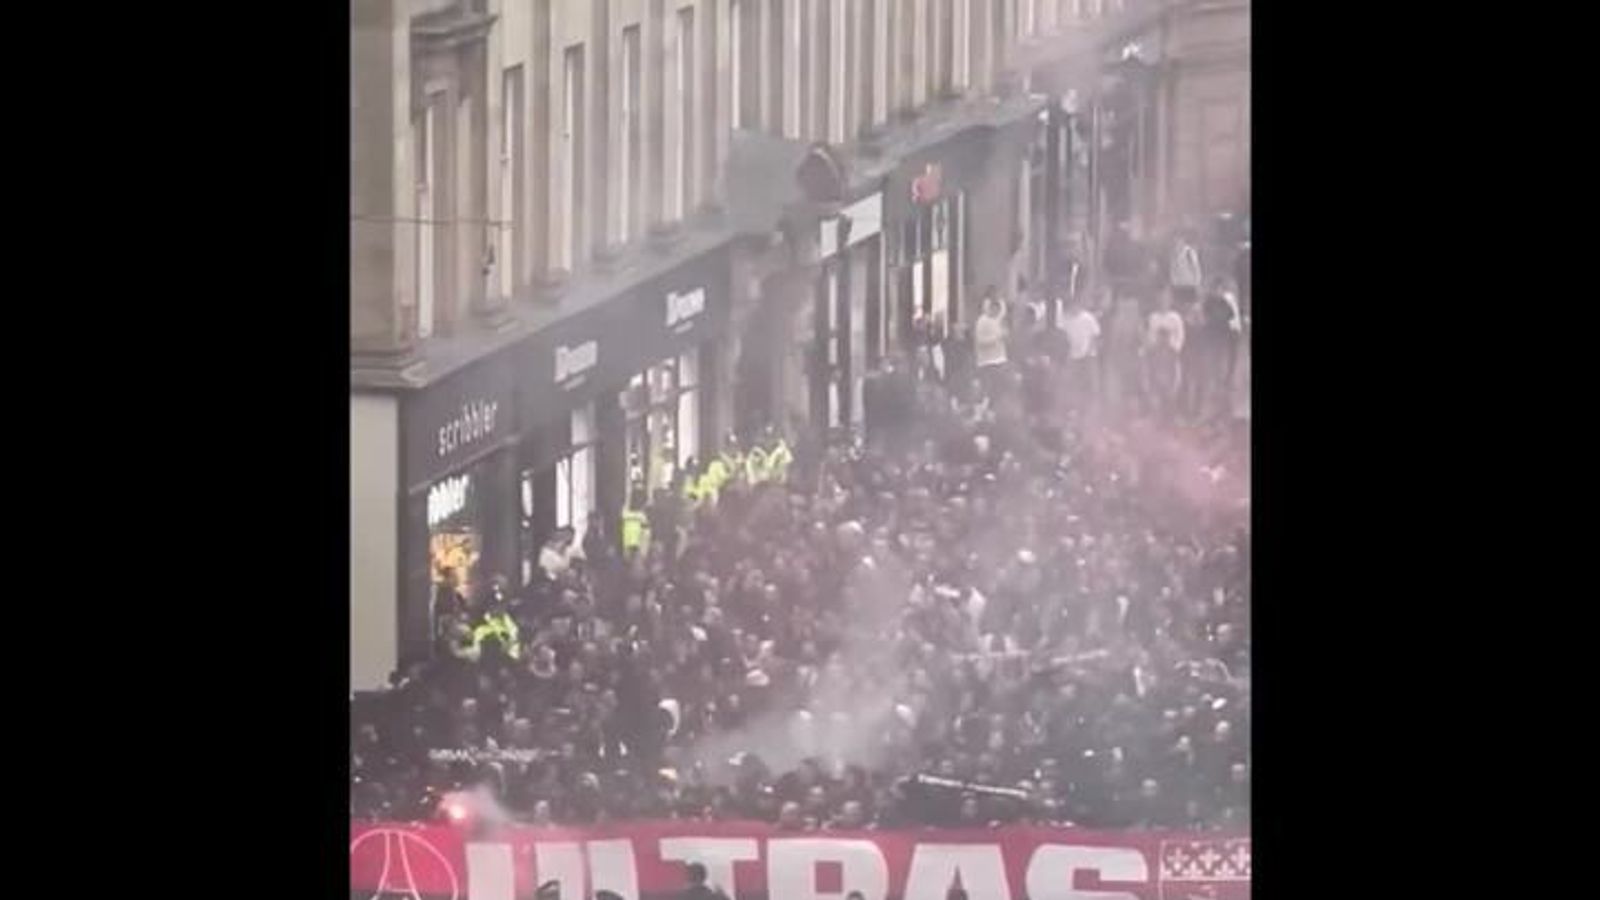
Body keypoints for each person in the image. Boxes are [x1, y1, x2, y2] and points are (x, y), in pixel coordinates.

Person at [1144, 291, 1185, 419]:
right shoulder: (1153, 317)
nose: (1163, 302)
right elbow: (1149, 334)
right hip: (1156, 353)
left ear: (1170, 301)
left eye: (1166, 299)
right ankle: (1156, 413)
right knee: (1155, 381)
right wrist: (1152, 346)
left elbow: (1181, 335)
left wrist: (1175, 349)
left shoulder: (1175, 317)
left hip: (1171, 353)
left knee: (1172, 382)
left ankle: (1171, 413)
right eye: (1160, 299)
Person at [1058, 296, 1101, 409]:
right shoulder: (1064, 318)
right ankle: (1074, 408)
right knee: (1072, 384)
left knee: (1091, 385)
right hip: (1072, 356)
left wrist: (1089, 351)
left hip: (1088, 356)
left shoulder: (1088, 318)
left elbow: (1095, 336)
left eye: (1075, 305)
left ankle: (1092, 407)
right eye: (1070, 306)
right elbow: (1062, 335)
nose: (1073, 308)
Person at [973, 293, 1009, 400]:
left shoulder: (998, 320)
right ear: (990, 308)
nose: (997, 312)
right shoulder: (982, 321)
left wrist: (1004, 337)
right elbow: (980, 341)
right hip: (987, 362)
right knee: (988, 390)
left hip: (1000, 360)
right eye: (994, 309)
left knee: (999, 390)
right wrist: (997, 337)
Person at [1168, 229, 1203, 308]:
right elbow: (1172, 269)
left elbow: (1196, 268)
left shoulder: (1189, 252)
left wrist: (1197, 283)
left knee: (1190, 306)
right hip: (1178, 286)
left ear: (1183, 240)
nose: (1177, 242)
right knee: (1179, 306)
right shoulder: (1174, 253)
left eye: (1179, 239)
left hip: (1190, 285)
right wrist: (1173, 283)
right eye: (1175, 240)